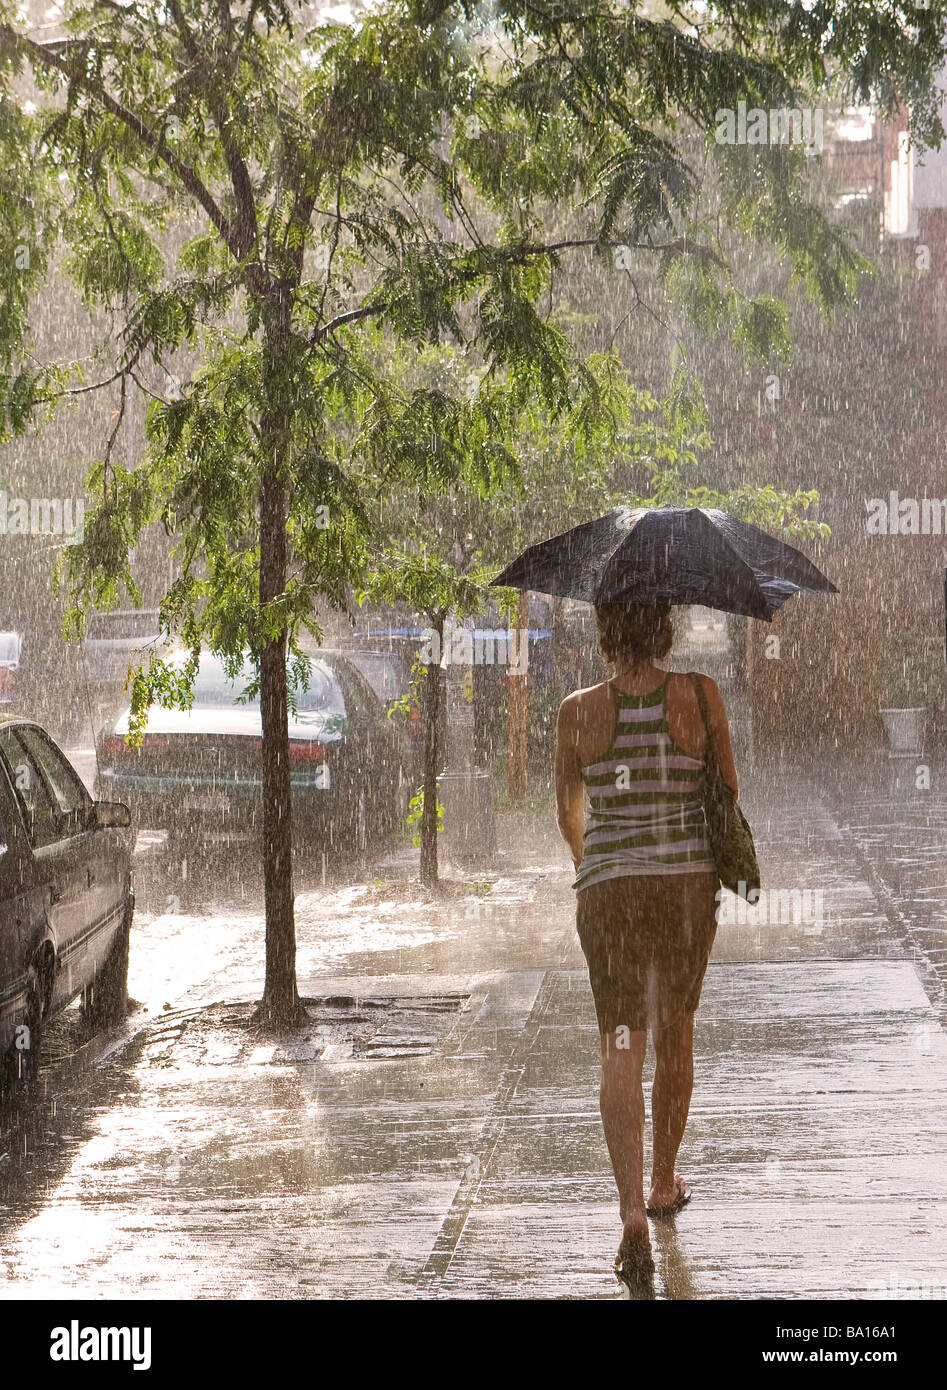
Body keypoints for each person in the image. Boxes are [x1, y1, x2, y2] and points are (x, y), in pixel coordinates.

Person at [554, 601, 737, 1289]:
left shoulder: (577, 711)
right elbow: (726, 792)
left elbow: (565, 814)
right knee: (677, 1032)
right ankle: (662, 1182)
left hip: (608, 895)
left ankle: (630, 1212)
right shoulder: (697, 694)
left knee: (620, 1043)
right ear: (663, 629)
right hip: (685, 889)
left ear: (605, 633)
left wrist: (596, 867)